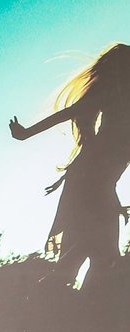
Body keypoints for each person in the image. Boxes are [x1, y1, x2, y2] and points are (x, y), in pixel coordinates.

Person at [10, 43, 130, 286]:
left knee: (96, 257)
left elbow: (106, 176)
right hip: (88, 184)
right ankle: (58, 307)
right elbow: (66, 114)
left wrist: (116, 205)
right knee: (95, 257)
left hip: (96, 186)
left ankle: (67, 307)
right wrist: (26, 133)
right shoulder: (111, 96)